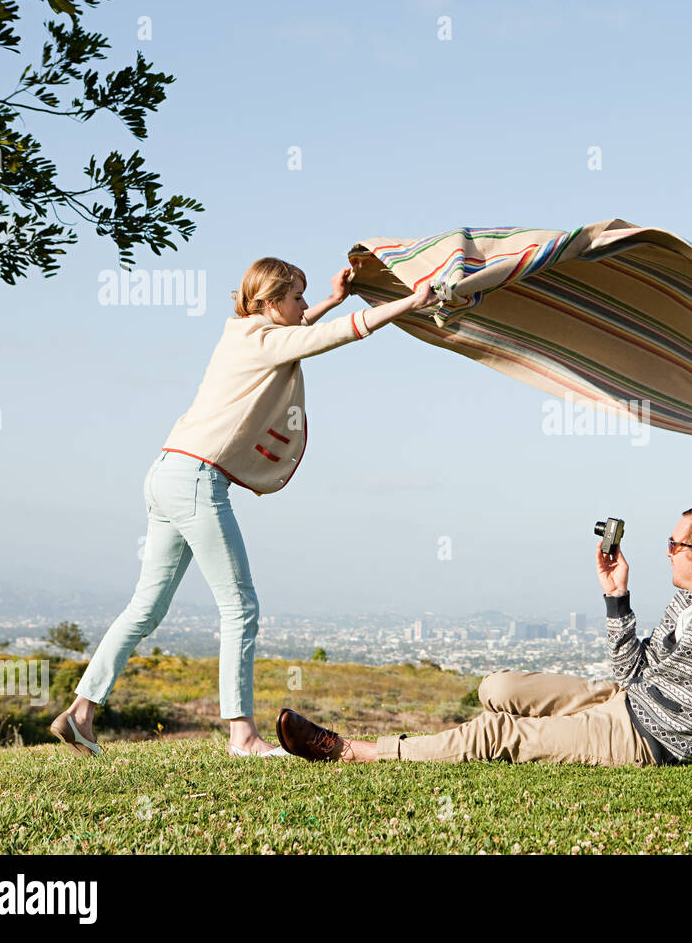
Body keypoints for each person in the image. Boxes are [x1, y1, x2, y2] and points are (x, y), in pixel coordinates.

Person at [49, 257, 440, 757]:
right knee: (240, 607)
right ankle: (243, 736)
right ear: (270, 302)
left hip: (167, 472)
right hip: (195, 480)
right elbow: (341, 335)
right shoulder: (264, 339)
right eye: (296, 297)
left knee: (144, 608)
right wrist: (412, 301)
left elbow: (298, 334)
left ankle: (81, 713)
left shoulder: (243, 334)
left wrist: (329, 299)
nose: (303, 306)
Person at [275, 505, 692, 778]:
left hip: (649, 741)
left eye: (674, 544)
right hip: (625, 701)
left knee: (497, 730)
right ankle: (451, 737)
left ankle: (353, 751)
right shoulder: (690, 599)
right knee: (498, 685)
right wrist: (617, 596)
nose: (667, 551)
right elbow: (634, 672)